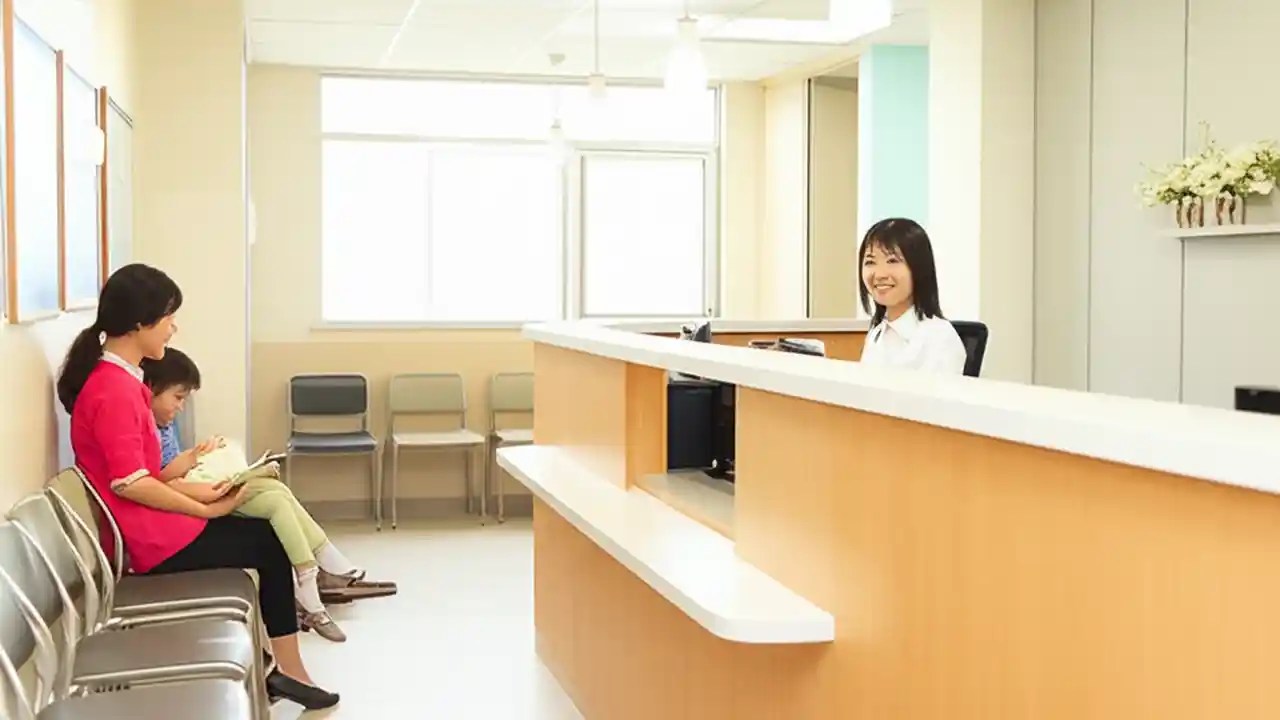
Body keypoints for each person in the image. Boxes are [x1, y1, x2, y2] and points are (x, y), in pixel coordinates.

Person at [57, 263, 339, 710]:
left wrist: (203, 493)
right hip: (146, 541)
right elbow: (130, 484)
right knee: (267, 543)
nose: (173, 327)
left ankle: (280, 669)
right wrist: (204, 510)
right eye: (168, 317)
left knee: (263, 529)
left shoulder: (122, 381)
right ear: (138, 322)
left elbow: (140, 475)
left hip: (149, 525)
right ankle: (286, 671)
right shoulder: (111, 389)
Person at [143, 347, 397, 643]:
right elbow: (157, 482)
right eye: (177, 397)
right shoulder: (145, 425)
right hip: (187, 500)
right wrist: (205, 483)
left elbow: (168, 474)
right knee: (275, 500)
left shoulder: (162, 424)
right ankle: (318, 580)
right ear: (151, 388)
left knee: (277, 490)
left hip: (194, 486)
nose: (181, 406)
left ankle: (319, 578)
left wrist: (206, 456)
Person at [857, 218, 968, 375]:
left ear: (918, 268)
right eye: (870, 262)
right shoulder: (877, 334)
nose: (880, 274)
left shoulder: (939, 338)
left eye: (892, 260)